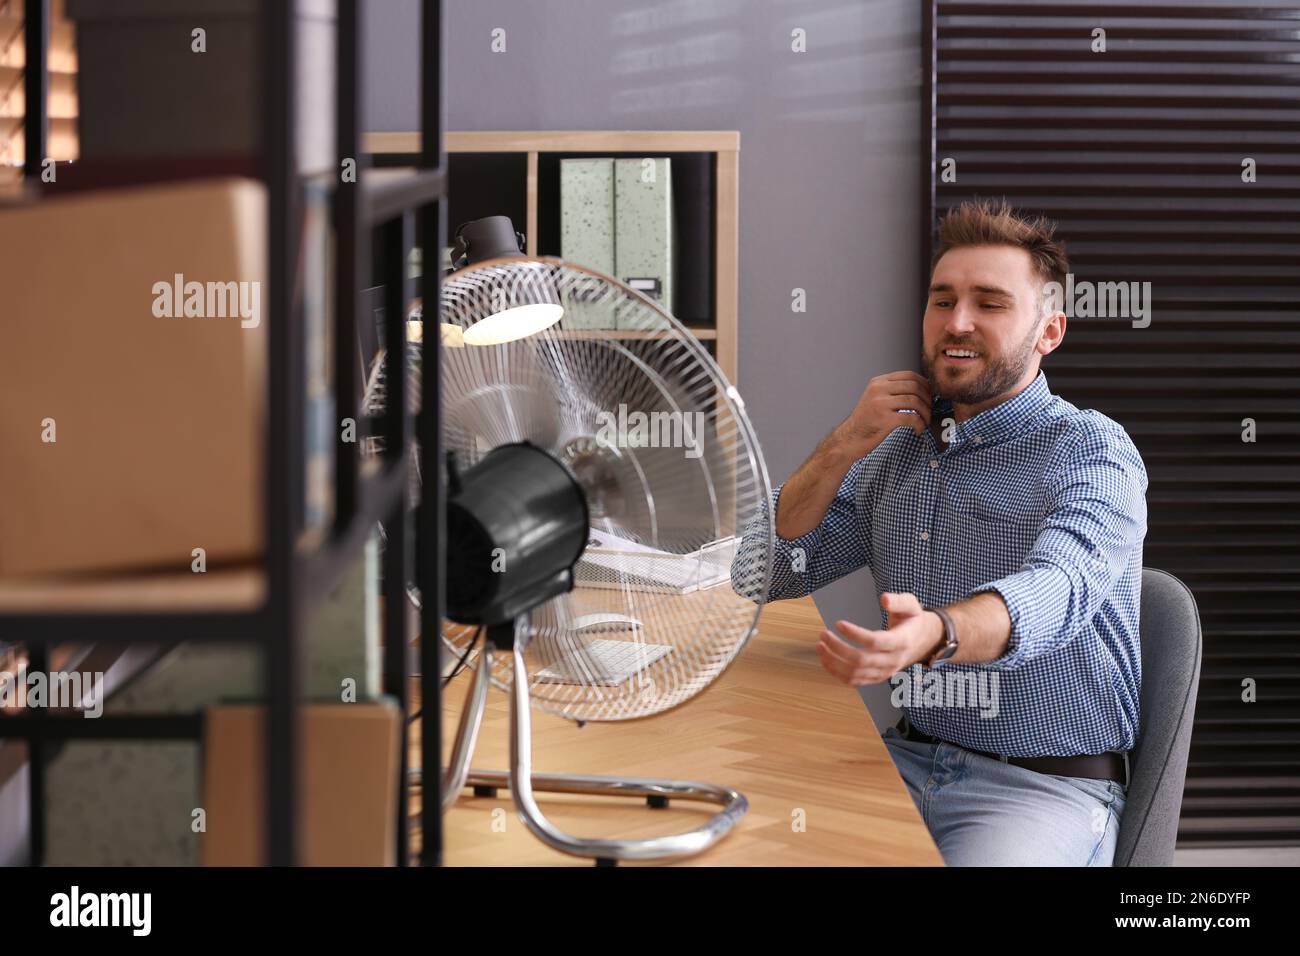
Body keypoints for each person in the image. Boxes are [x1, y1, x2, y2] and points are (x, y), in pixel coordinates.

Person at [733, 198, 1148, 866]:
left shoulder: (1092, 452)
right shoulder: (896, 451)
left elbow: (1058, 588)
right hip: (904, 757)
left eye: (990, 303)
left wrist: (937, 633)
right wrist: (841, 445)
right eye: (942, 299)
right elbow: (760, 572)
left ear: (1049, 332)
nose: (957, 322)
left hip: (1039, 790)